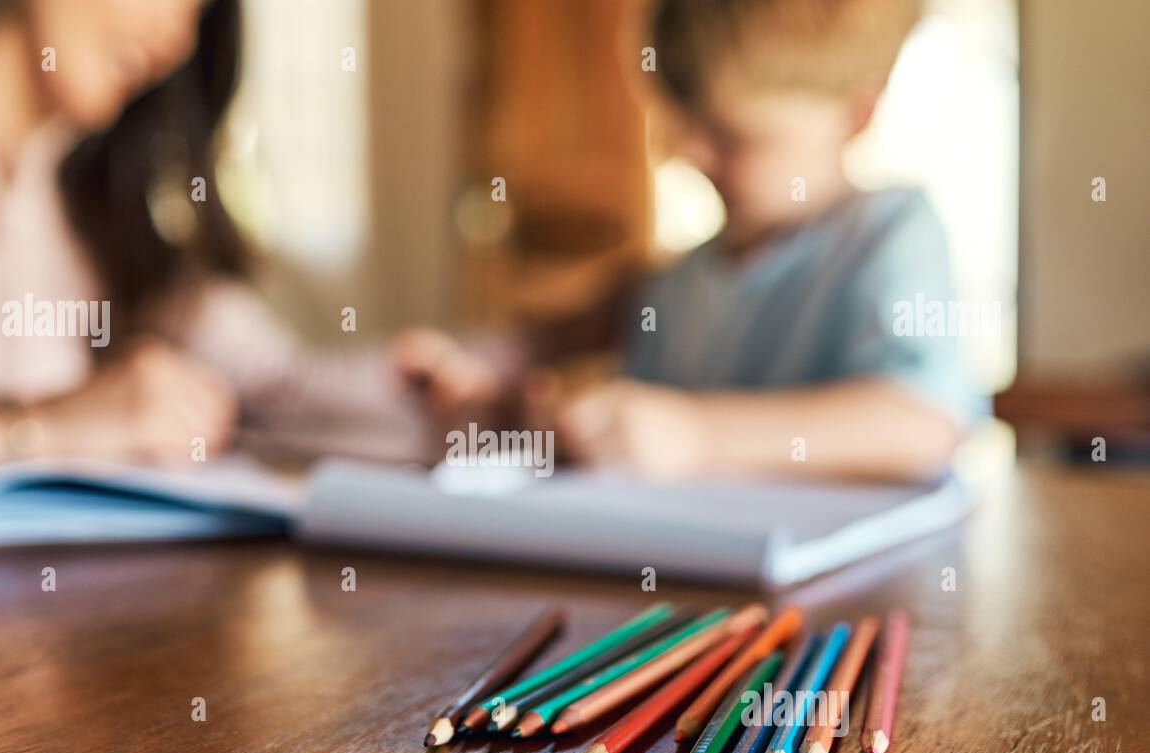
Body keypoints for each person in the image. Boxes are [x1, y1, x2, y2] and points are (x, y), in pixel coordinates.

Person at [396, 0, 985, 483]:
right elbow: (616, 426)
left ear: (857, 112)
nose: (685, 152)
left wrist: (697, 434)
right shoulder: (676, 283)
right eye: (684, 124)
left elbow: (924, 421)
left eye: (728, 135)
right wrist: (517, 418)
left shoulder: (892, 234)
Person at [0, 0, 430, 471]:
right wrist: (41, 426)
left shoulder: (99, 197)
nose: (176, 40)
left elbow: (278, 384)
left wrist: (463, 402)